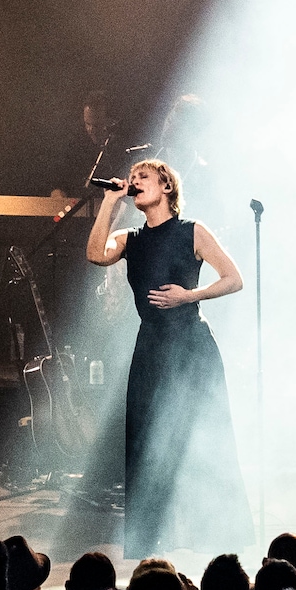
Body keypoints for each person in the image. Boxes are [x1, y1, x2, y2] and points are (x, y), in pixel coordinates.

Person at [85, 157, 253, 557]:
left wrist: (189, 295)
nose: (135, 180)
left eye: (144, 176)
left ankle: (214, 532)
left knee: (201, 433)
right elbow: (94, 254)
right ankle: (150, 537)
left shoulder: (192, 231)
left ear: (166, 187)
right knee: (146, 438)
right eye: (133, 177)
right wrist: (111, 201)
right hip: (152, 346)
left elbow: (234, 278)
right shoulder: (130, 239)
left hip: (191, 344)